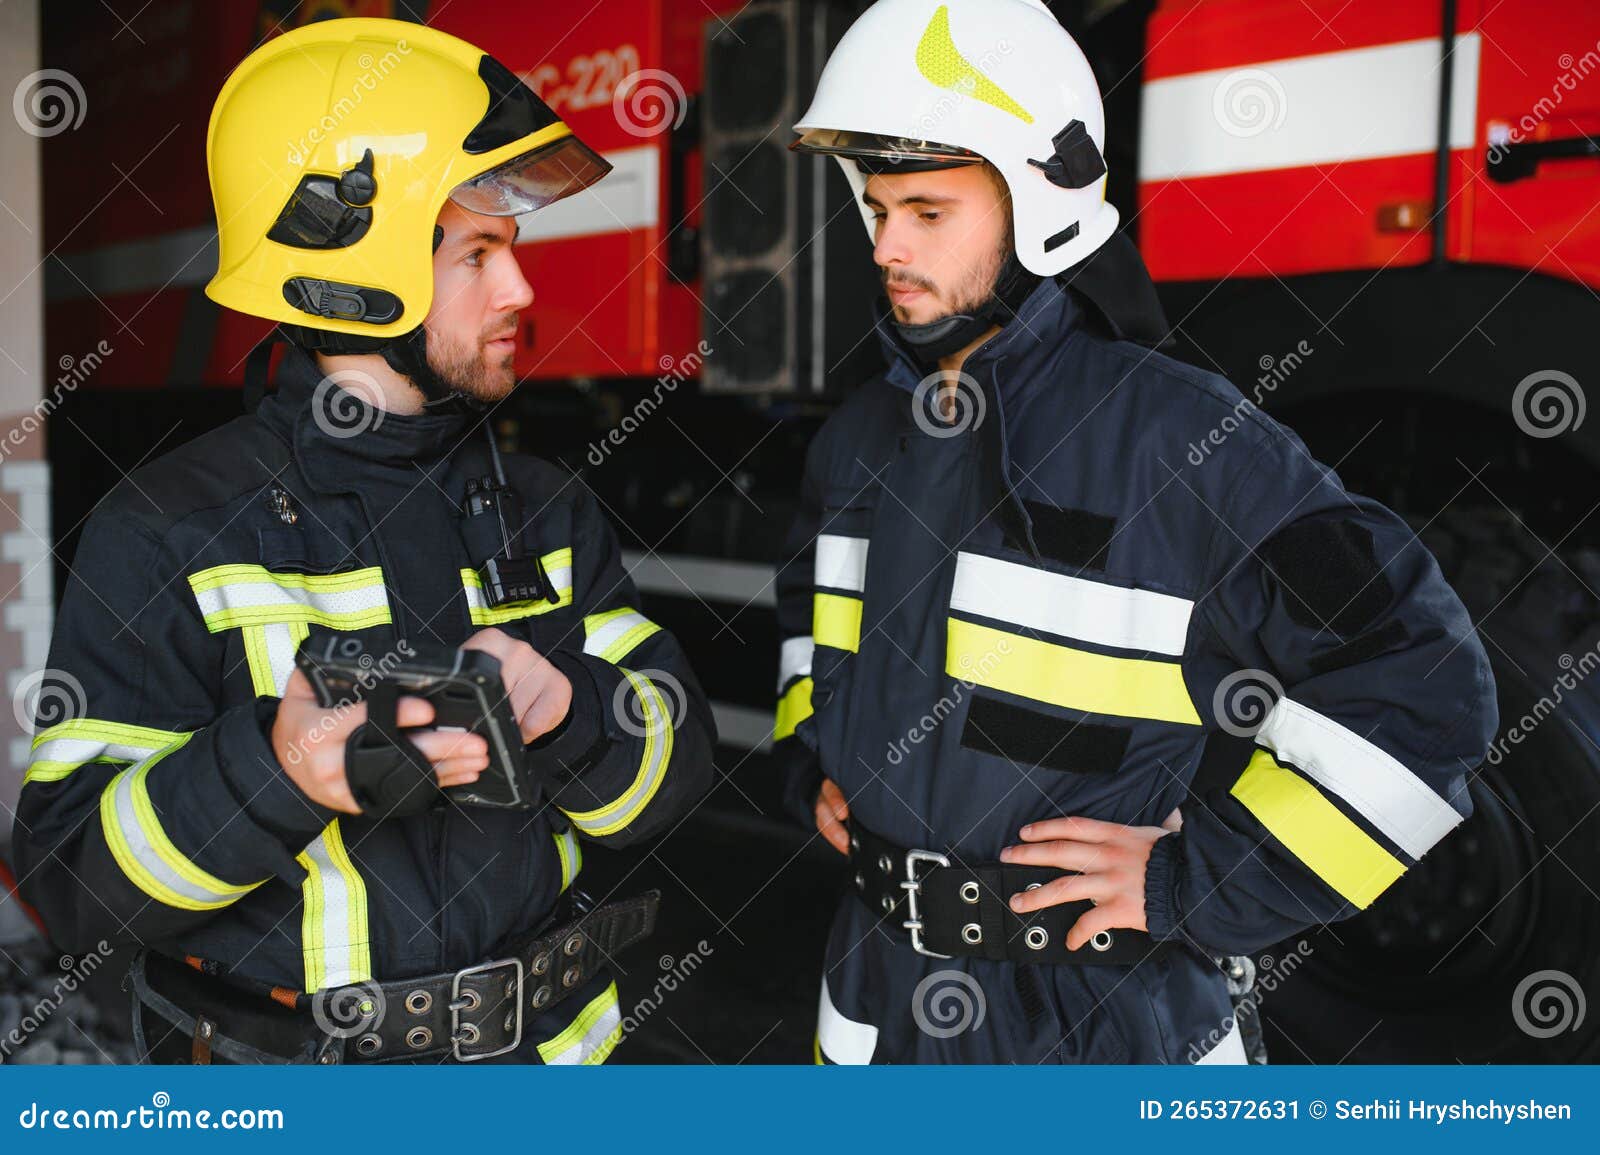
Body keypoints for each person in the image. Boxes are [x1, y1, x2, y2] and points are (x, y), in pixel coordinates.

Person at [774, 0, 1497, 1063]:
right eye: (878, 208)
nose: (886, 246)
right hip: (876, 1006)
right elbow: (815, 629)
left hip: (1102, 1034)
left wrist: (1194, 881)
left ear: (1037, 210)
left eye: (928, 212)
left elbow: (1421, 687)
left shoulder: (1181, 438)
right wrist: (810, 760)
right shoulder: (857, 440)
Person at [11, 17, 715, 1065]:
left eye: (509, 250)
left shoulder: (543, 508)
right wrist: (276, 769)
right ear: (354, 270)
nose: (521, 290)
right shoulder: (168, 529)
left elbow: (680, 767)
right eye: (479, 253)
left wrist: (571, 716)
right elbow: (76, 888)